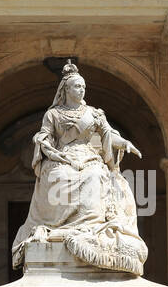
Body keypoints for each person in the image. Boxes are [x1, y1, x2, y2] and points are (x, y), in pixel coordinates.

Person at [11, 60, 147, 275]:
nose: (81, 89)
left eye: (83, 86)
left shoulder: (94, 113)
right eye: (77, 86)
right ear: (66, 89)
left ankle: (90, 226)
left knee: (94, 175)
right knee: (57, 175)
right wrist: (43, 142)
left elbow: (107, 134)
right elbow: (46, 135)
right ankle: (59, 225)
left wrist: (125, 143)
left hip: (89, 156)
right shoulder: (53, 114)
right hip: (63, 157)